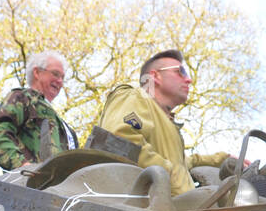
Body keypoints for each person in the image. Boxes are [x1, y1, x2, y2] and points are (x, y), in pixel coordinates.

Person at [95, 49, 230, 196]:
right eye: (180, 72)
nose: (188, 79)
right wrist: (174, 182)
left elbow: (186, 162)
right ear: (155, 76)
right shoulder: (137, 96)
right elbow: (119, 140)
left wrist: (224, 159)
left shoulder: (167, 125)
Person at [0, 51, 79, 170]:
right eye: (55, 74)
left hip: (59, 187)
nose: (60, 81)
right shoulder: (22, 98)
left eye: (62, 77)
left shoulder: (64, 126)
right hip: (29, 185)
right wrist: (23, 167)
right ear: (37, 72)